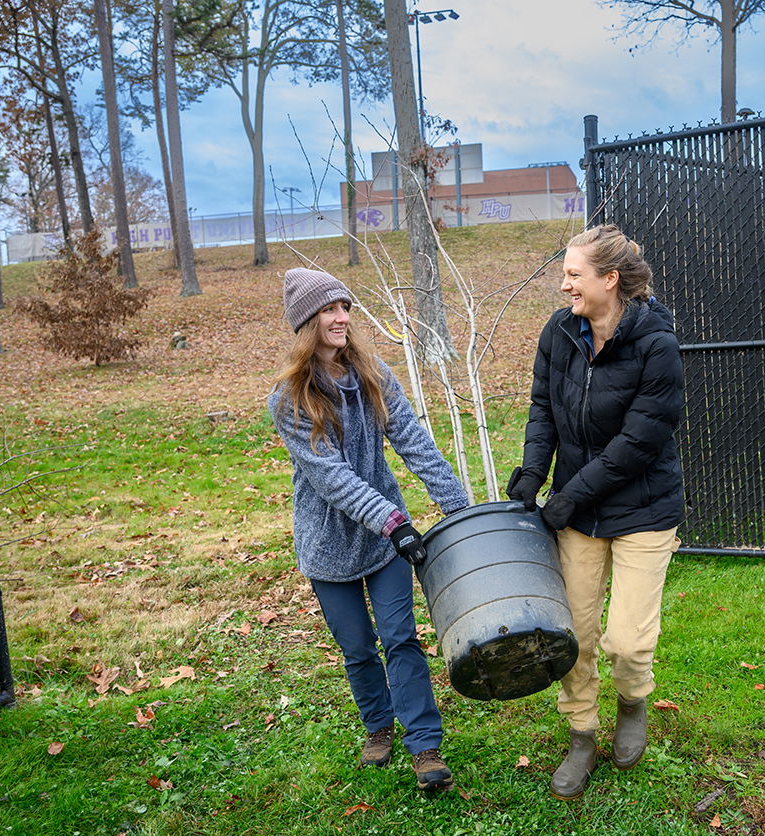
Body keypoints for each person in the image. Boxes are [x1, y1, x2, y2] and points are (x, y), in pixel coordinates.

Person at [267, 267, 468, 793]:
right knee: (358, 647)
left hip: (384, 542)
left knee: (401, 638)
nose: (341, 317)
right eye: (329, 310)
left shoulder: (374, 373)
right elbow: (332, 478)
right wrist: (396, 522)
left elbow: (413, 440)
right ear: (307, 323)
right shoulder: (289, 398)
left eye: (345, 307)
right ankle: (378, 726)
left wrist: (458, 507)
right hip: (330, 545)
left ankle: (424, 746)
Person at [507, 225, 685, 801]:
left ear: (610, 280)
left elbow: (638, 444)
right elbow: (543, 410)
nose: (564, 286)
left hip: (644, 511)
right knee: (575, 638)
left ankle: (633, 701)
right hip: (579, 516)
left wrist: (571, 493)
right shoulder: (559, 333)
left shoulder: (657, 344)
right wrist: (534, 473)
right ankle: (582, 734)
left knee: (626, 644)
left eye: (574, 275)